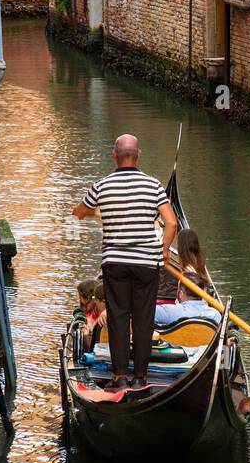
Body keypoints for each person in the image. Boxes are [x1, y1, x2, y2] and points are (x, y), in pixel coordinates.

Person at [72, 134, 177, 389]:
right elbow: (171, 223)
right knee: (143, 318)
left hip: (115, 263)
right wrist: (163, 252)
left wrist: (97, 211)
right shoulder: (153, 186)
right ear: (138, 154)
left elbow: (78, 211)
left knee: (118, 318)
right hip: (145, 263)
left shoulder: (102, 186)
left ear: (114, 155)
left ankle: (119, 378)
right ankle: (140, 378)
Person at [154, 227, 221, 327]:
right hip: (202, 310)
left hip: (189, 313)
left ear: (181, 248)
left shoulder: (188, 272)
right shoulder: (200, 265)